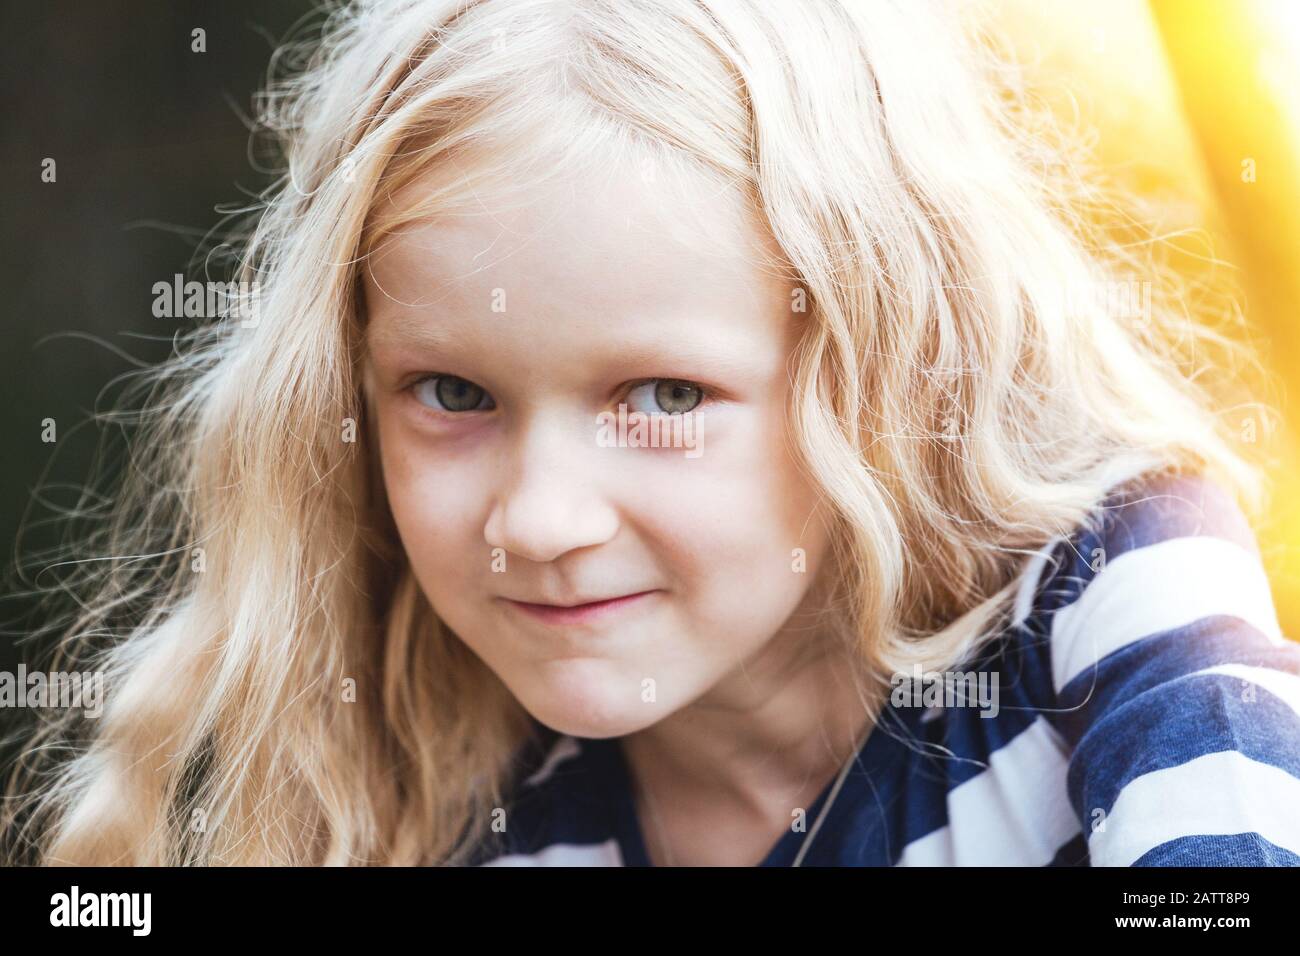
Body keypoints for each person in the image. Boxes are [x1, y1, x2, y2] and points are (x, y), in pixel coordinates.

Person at [4, 0, 1297, 866]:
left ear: (882, 375)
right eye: (453, 394)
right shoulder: (502, 828)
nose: (541, 521)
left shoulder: (1112, 594)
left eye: (665, 398)